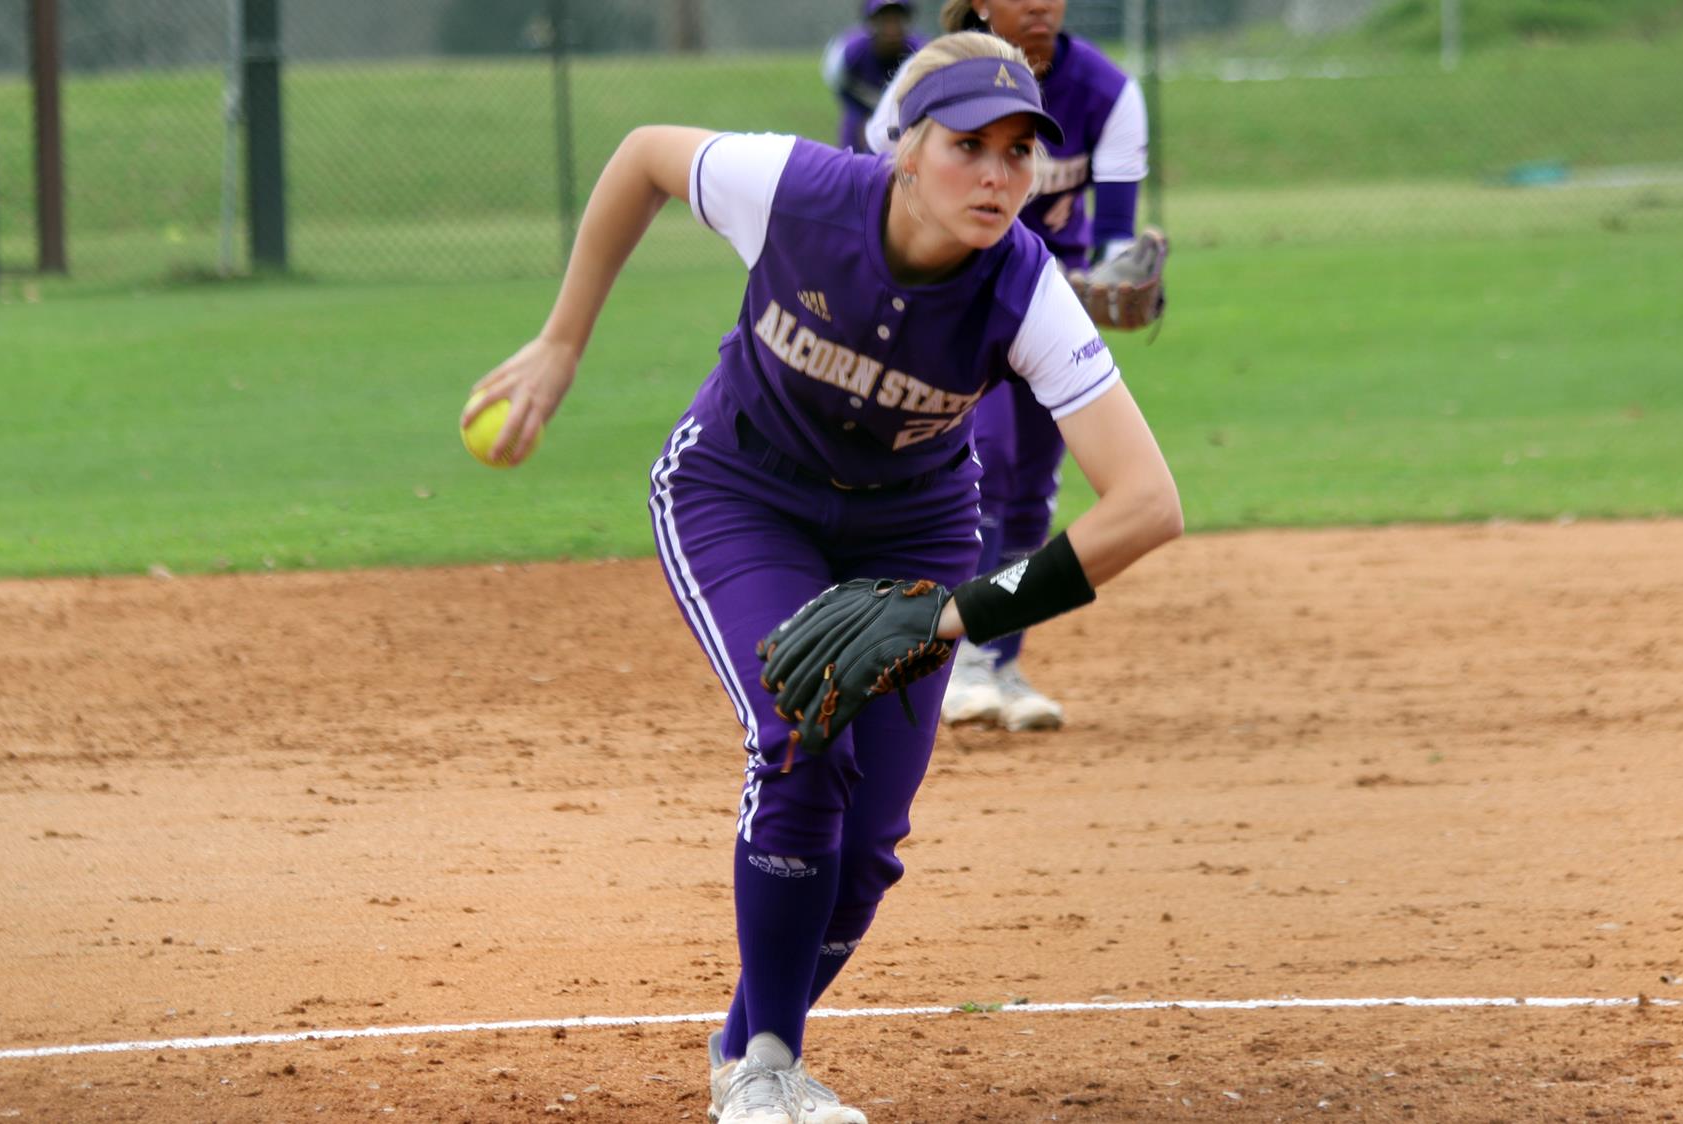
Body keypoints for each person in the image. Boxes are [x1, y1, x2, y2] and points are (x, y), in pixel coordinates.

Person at [464, 30, 1181, 1124]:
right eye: (966, 145)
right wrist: (563, 339)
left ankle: (749, 1049)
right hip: (740, 492)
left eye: (1019, 150)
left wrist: (956, 613)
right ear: (902, 148)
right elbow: (645, 155)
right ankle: (763, 1068)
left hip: (917, 535)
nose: (997, 175)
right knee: (802, 735)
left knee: (868, 850)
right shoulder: (797, 190)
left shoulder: (1023, 284)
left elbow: (1145, 503)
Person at [867, 0, 1152, 732]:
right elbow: (885, 191)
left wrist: (1115, 281)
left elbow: (1114, 239)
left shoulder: (1109, 92)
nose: (1039, 5)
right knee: (985, 461)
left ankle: (1000, 658)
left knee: (1031, 491)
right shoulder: (929, 80)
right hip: (953, 307)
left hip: (1049, 314)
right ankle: (954, 658)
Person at [821, 0, 926, 154]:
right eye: (884, 19)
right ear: (870, 22)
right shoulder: (850, 53)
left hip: (904, 115)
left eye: (897, 18)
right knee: (852, 157)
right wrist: (862, 116)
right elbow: (837, 80)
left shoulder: (921, 53)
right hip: (860, 111)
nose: (891, 27)